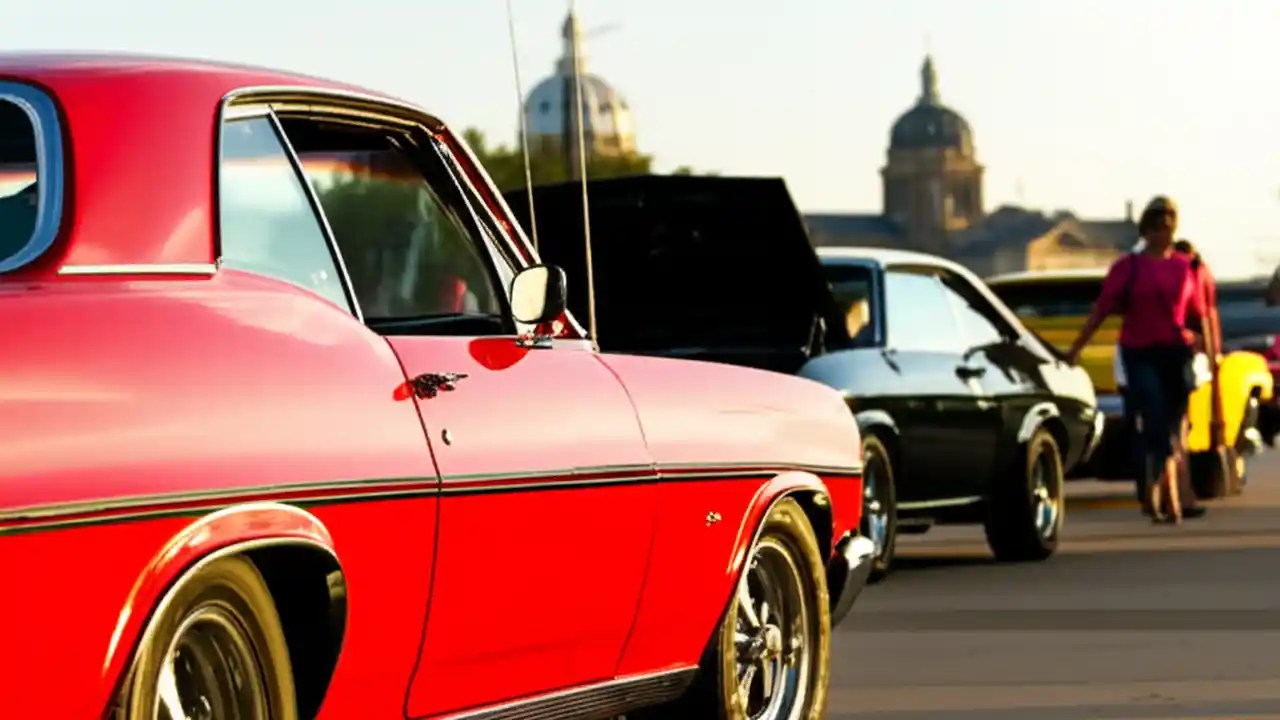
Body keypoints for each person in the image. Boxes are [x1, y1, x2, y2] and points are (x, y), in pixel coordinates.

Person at [1065, 196, 1207, 523]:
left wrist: (1209, 352)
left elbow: (1199, 314)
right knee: (1154, 417)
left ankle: (1165, 495)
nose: (1163, 234)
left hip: (1175, 353)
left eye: (1168, 228)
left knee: (1172, 426)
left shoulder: (1184, 268)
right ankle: (1160, 495)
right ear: (1146, 231)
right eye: (1157, 228)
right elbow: (1101, 311)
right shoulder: (1127, 267)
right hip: (1139, 352)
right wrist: (1076, 349)